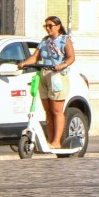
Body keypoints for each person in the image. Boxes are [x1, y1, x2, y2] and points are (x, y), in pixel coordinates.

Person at [19, 16, 76, 148]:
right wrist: (23, 63)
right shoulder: (45, 41)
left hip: (57, 76)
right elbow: (35, 57)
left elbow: (71, 57)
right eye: (46, 26)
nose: (48, 28)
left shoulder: (64, 40)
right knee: (48, 110)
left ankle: (57, 141)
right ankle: (50, 141)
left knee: (56, 110)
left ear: (58, 26)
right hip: (44, 74)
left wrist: (62, 65)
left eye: (50, 25)